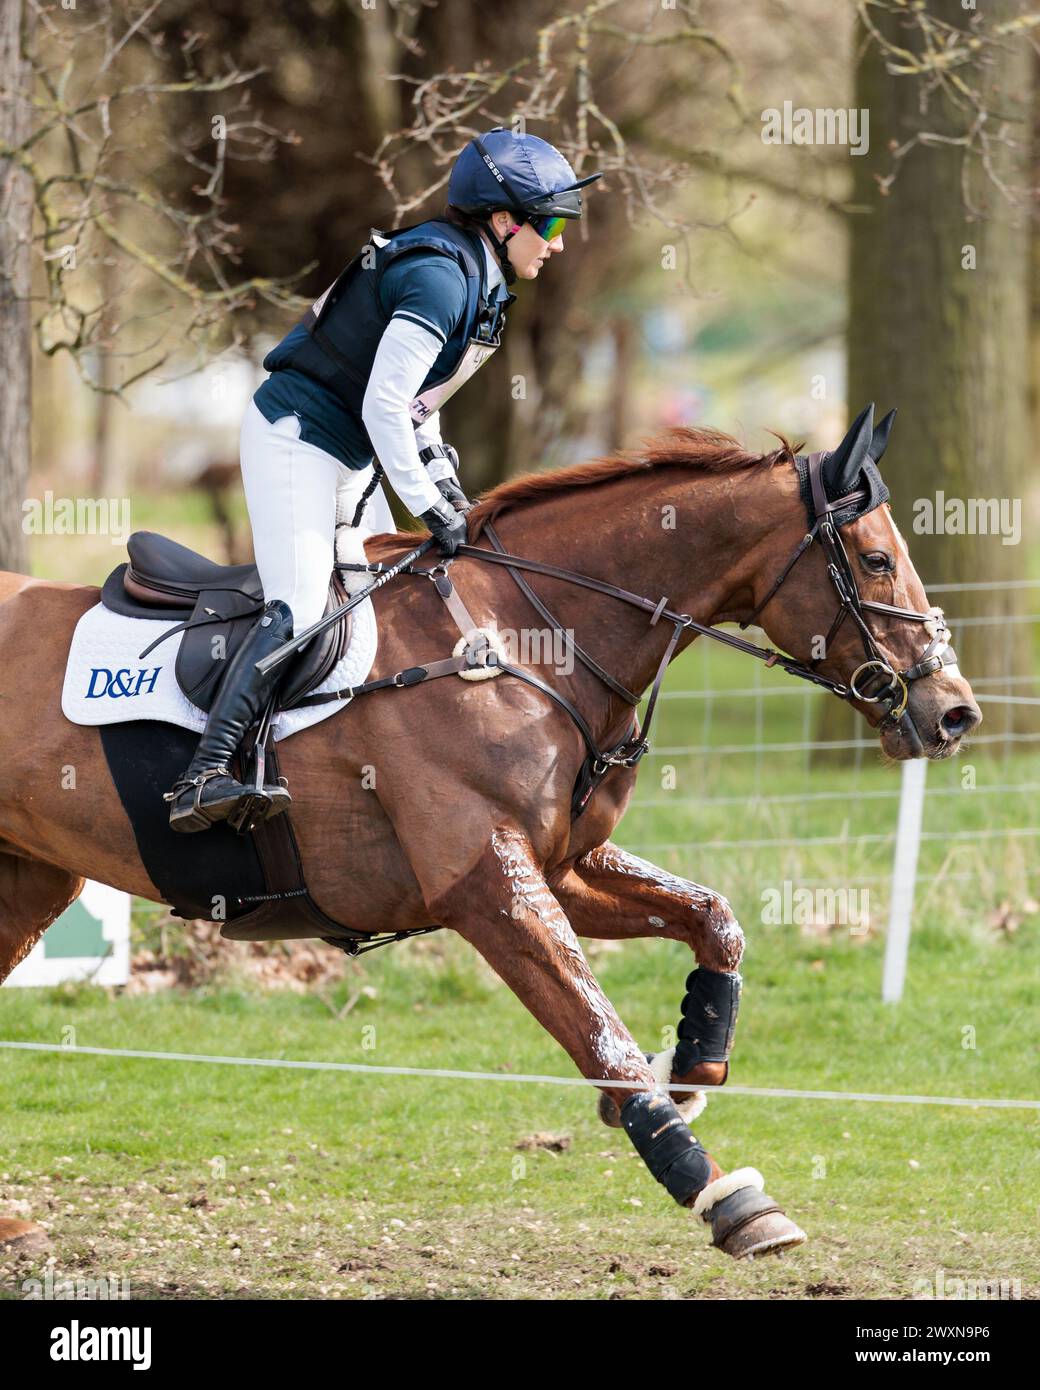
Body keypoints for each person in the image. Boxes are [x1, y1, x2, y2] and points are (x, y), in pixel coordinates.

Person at [164, 126, 602, 833]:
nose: (556, 243)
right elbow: (382, 405)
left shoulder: (479, 288)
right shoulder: (439, 279)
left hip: (354, 457)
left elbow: (419, 409)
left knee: (383, 611)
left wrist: (446, 488)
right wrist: (429, 508)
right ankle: (205, 773)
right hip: (297, 440)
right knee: (304, 608)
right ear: (502, 220)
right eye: (548, 225)